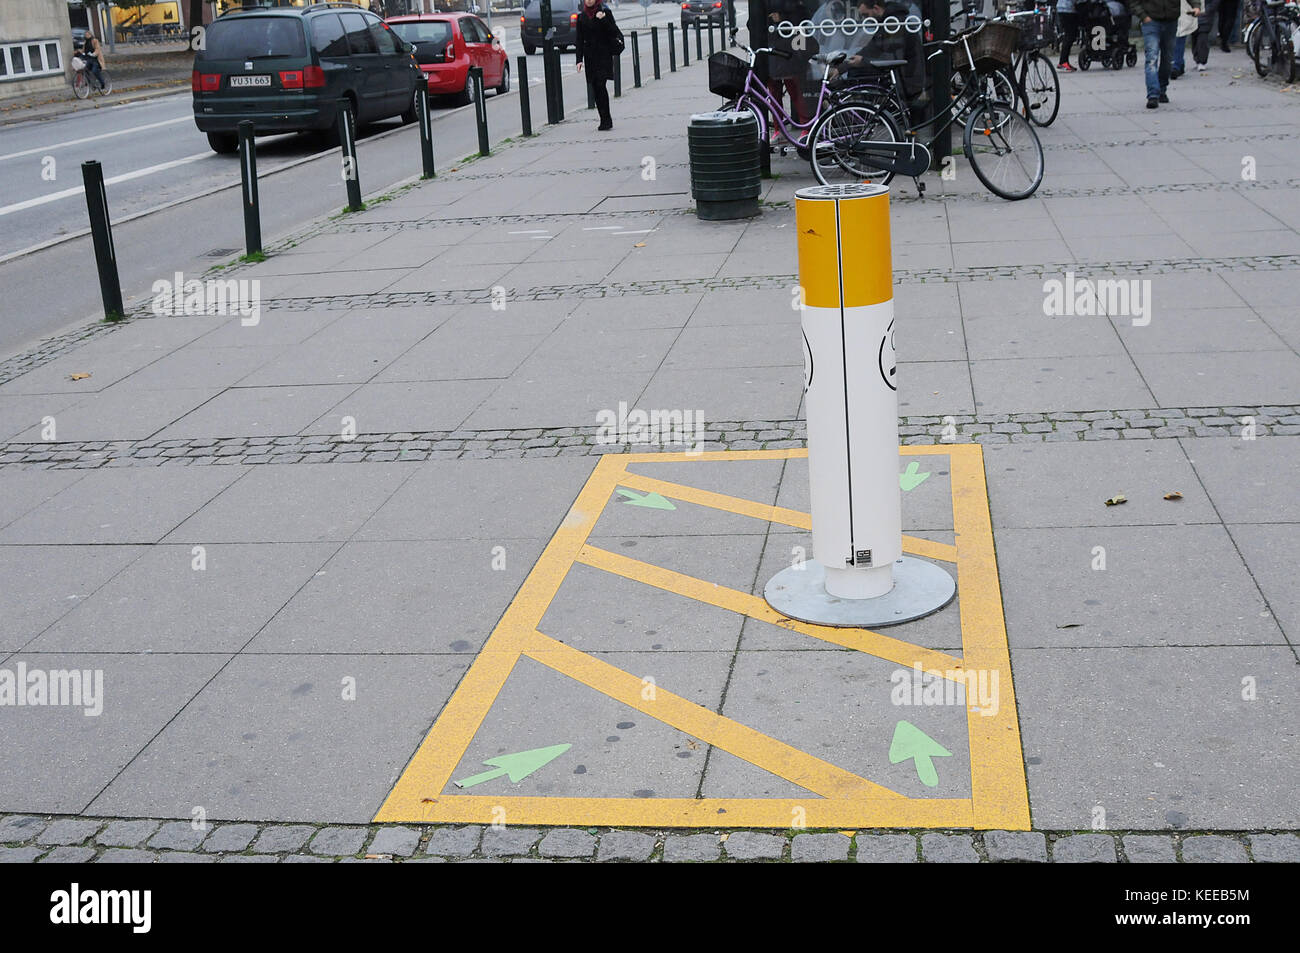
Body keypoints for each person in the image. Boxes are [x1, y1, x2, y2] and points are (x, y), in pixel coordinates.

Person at [575, 0, 622, 131]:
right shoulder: (581, 17)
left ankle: (606, 120)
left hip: (603, 55)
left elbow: (613, 32)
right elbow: (579, 39)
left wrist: (603, 20)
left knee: (601, 85)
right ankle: (603, 118)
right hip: (590, 57)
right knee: (595, 88)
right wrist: (579, 60)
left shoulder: (605, 12)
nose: (589, 1)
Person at [1131, 0, 1180, 108]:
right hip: (1151, 21)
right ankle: (1153, 94)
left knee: (1167, 59)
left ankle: (1162, 90)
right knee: (1152, 58)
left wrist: (1196, 6)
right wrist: (1143, 16)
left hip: (1171, 21)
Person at [1171, 0, 1200, 78]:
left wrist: (1197, 7)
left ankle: (1176, 65)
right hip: (1168, 12)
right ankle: (1179, 63)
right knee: (1173, 39)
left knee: (1179, 36)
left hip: (1184, 10)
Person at [1190, 0, 1219, 68]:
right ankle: (1198, 60)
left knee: (1202, 39)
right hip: (1195, 15)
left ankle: (1201, 61)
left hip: (1205, 16)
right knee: (1195, 38)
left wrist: (1208, 10)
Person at [1055, 0, 1080, 71]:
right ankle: (1063, 61)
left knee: (1068, 35)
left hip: (1062, 8)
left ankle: (1063, 61)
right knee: (1070, 35)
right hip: (1068, 9)